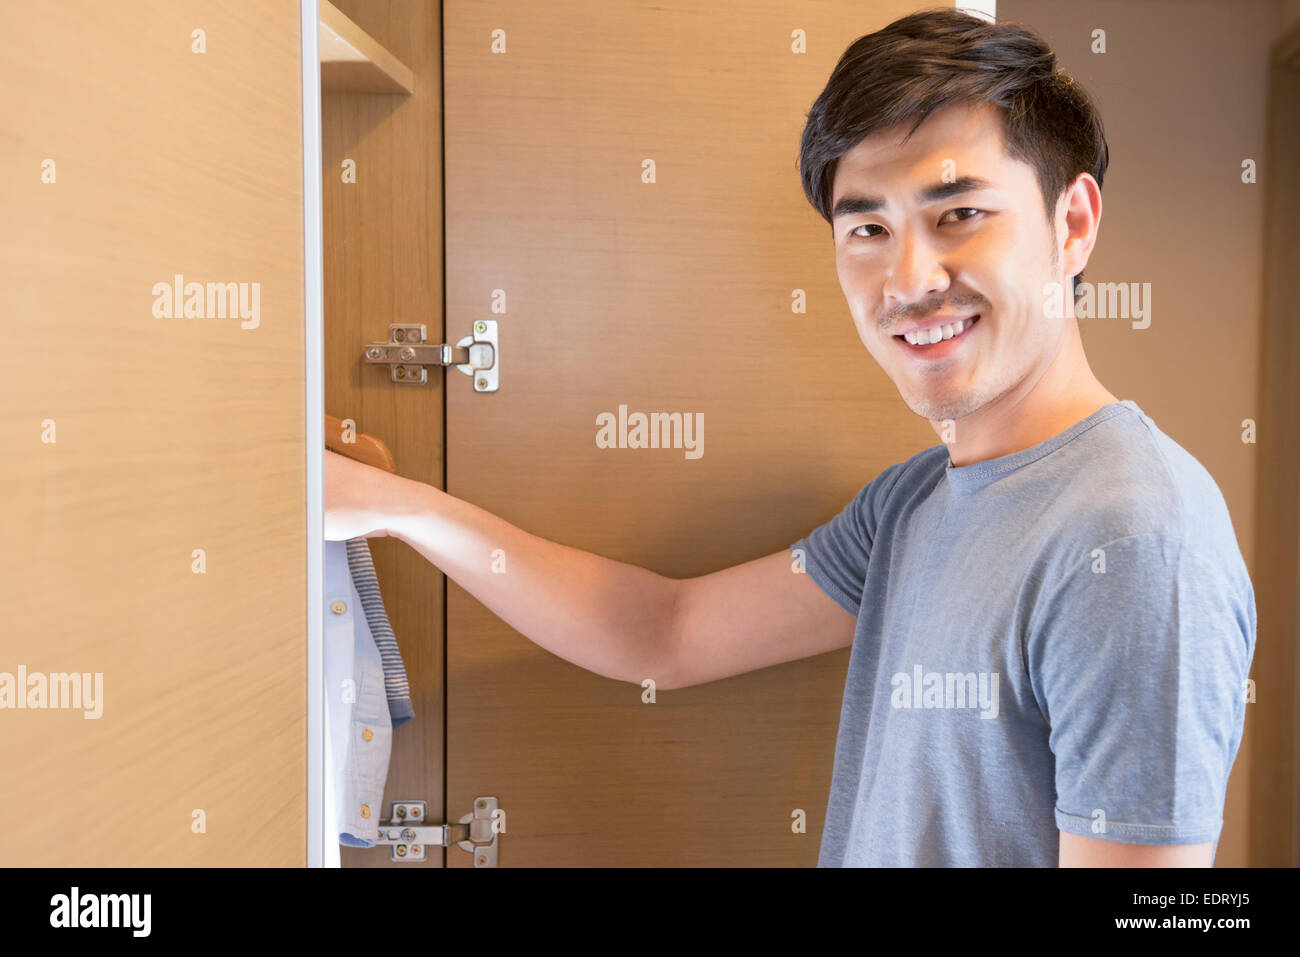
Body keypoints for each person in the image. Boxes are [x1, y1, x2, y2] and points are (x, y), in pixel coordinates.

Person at [325, 7, 1256, 867]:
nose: (910, 277)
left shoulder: (1133, 542)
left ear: (1073, 223)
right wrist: (401, 509)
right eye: (868, 227)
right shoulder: (916, 501)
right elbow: (665, 632)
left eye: (959, 214)